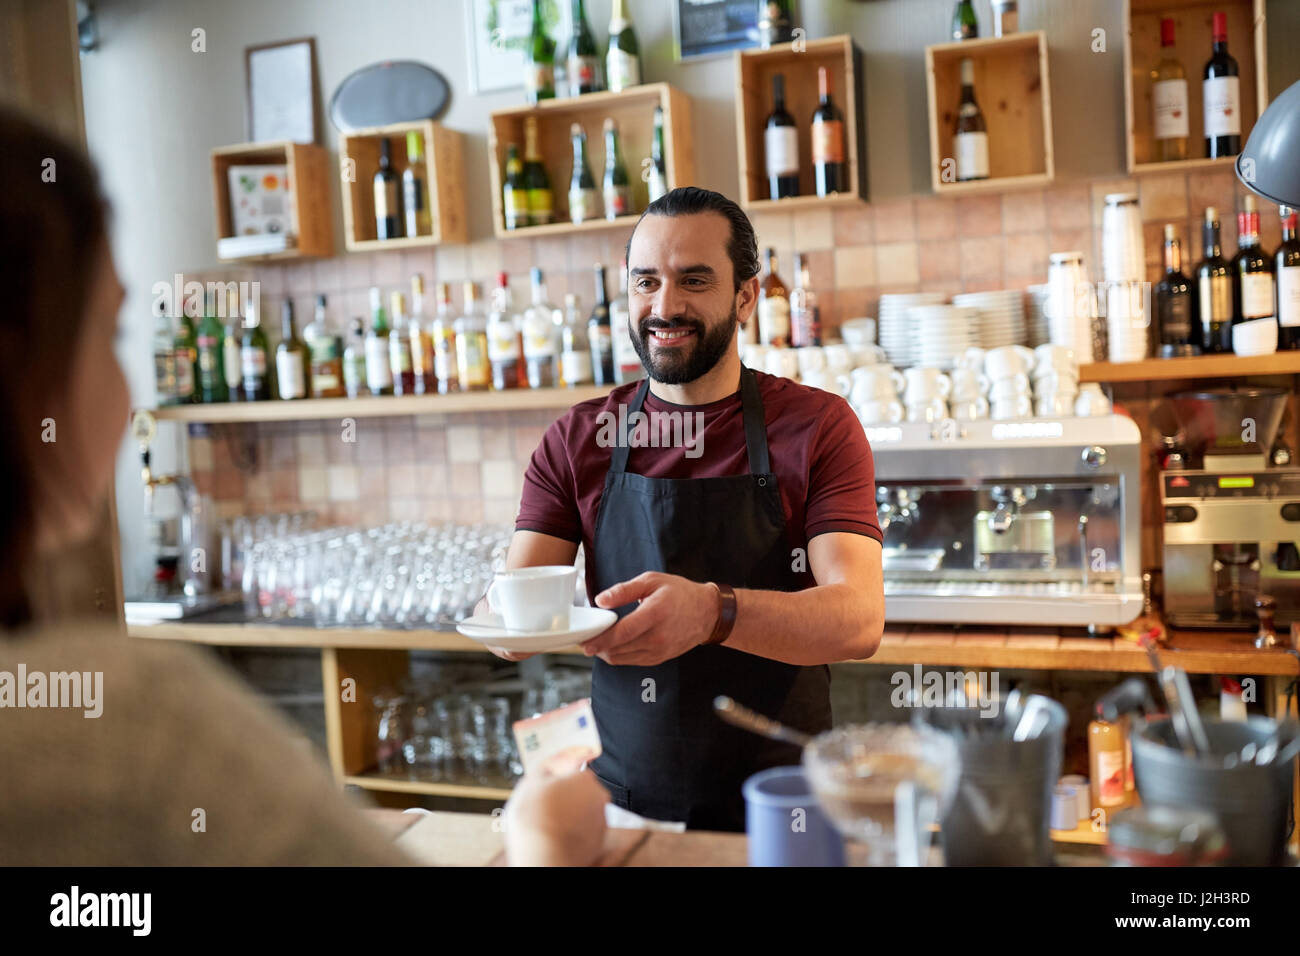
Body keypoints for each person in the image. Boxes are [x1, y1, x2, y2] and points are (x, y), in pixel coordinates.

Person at [0, 108, 604, 866]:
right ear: (24, 364)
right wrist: (542, 842)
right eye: (113, 331)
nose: (130, 393)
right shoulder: (125, 719)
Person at [494, 186, 885, 831]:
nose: (664, 305)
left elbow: (858, 620)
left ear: (746, 296)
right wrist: (500, 616)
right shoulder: (579, 438)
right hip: (628, 806)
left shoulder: (817, 426)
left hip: (784, 807)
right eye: (645, 281)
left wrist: (712, 612)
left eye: (693, 280)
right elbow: (520, 598)